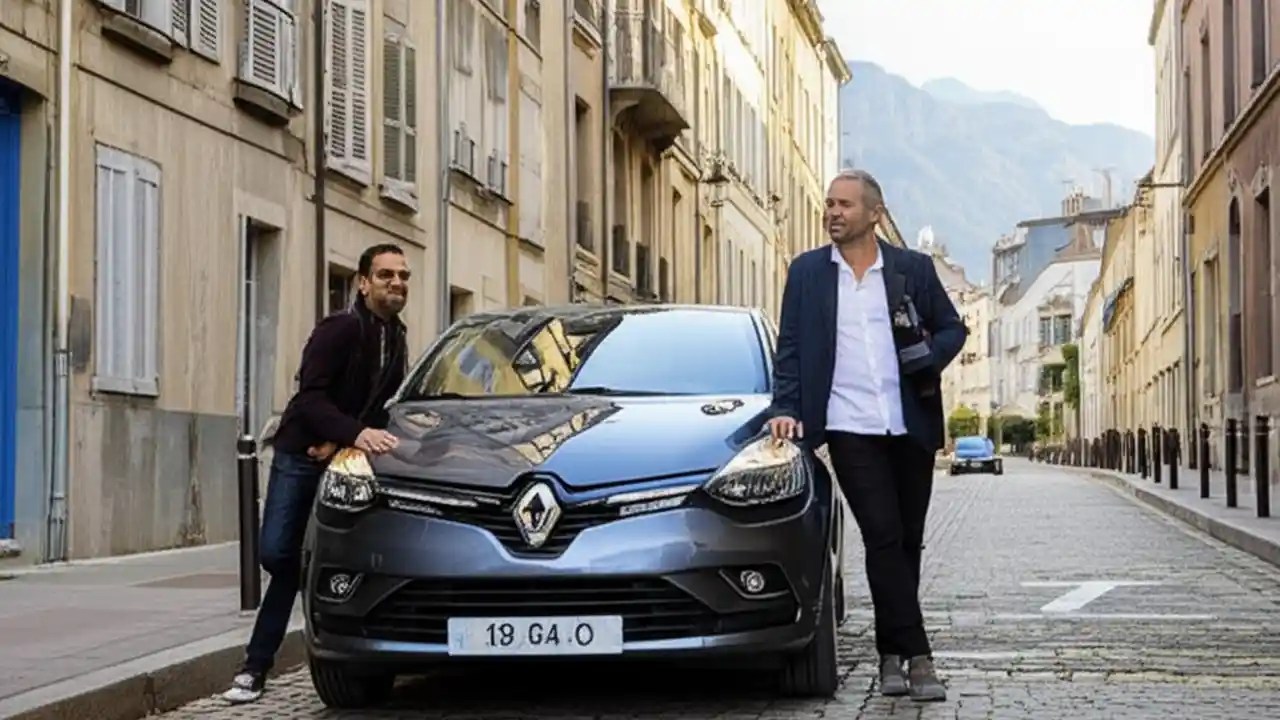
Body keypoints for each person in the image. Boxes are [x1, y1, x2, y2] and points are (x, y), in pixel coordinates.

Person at [767, 169, 967, 702]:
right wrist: (785, 407)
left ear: (873, 214)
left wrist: (928, 359)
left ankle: (888, 654)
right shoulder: (808, 274)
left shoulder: (912, 270)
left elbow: (954, 328)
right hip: (848, 424)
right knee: (880, 535)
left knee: (904, 542)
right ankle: (919, 657)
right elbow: (790, 350)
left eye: (844, 205)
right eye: (829, 203)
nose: (832, 212)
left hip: (910, 424)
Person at [222, 243, 411, 704]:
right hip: (300, 455)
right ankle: (301, 592)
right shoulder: (339, 328)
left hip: (342, 457)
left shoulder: (397, 335)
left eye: (404, 276)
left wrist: (346, 441)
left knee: (323, 562)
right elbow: (310, 397)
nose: (397, 283)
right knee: (277, 556)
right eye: (386, 275)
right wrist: (353, 434)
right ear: (363, 283)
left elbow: (379, 406)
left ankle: (254, 667)